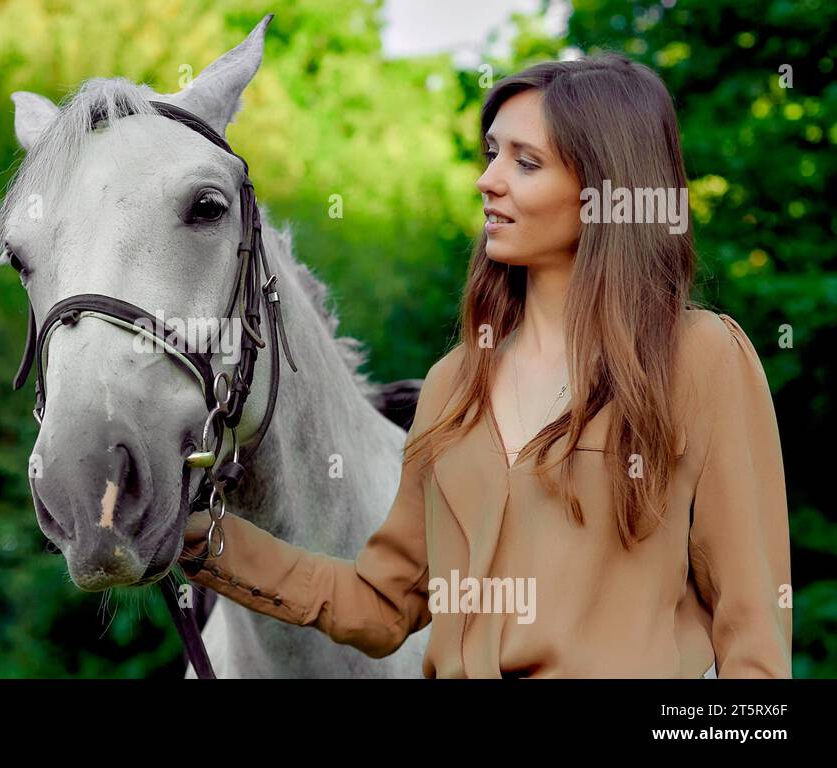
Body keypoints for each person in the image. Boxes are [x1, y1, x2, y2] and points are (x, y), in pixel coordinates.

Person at [178, 54, 791, 678]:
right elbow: (383, 603)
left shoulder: (700, 356)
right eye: (492, 153)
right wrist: (201, 539)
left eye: (526, 162)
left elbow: (752, 633)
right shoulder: (453, 383)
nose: (488, 180)